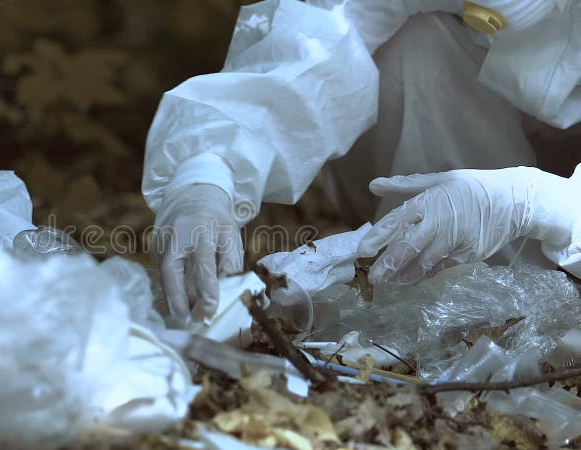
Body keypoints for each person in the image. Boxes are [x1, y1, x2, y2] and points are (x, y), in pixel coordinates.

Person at [143, 0, 581, 325]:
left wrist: (538, 202)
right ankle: (433, 288)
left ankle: (538, 311)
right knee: (416, 44)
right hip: (471, 148)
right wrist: (207, 172)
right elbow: (322, 30)